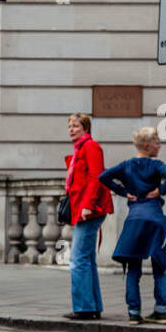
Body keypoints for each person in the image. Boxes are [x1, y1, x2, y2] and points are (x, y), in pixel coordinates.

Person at [99, 127, 166, 324]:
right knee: (160, 268)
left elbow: (103, 177)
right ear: (147, 145)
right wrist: (160, 190)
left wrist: (123, 191)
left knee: (133, 269)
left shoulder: (127, 165)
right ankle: (161, 311)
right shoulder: (156, 165)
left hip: (135, 221)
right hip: (155, 219)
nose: (160, 145)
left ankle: (134, 313)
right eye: (157, 142)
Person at [63, 113, 113, 320]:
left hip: (89, 210)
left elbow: (96, 177)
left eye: (76, 126)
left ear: (85, 128)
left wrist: (88, 205)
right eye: (70, 126)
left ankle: (84, 307)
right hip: (83, 210)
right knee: (87, 259)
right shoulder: (80, 149)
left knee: (77, 260)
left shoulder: (91, 147)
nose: (71, 129)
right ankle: (91, 306)